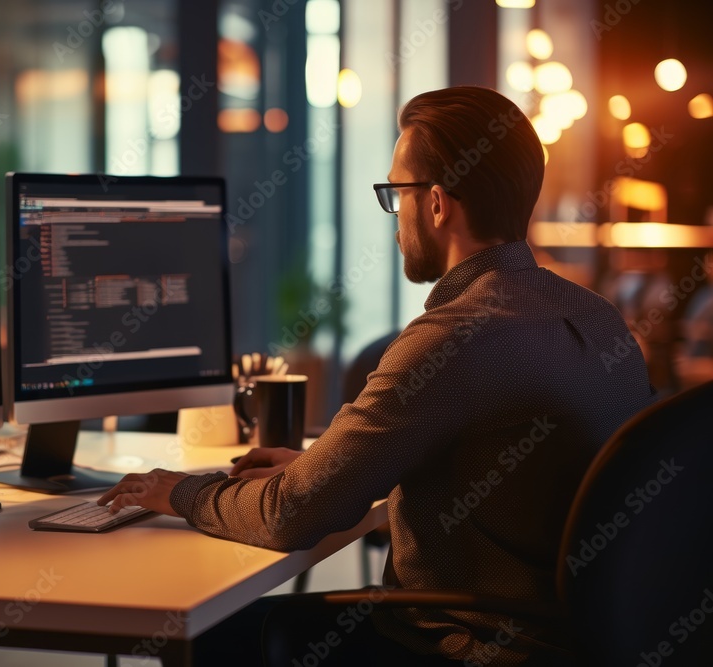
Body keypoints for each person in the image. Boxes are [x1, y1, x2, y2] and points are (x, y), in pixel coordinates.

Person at [98, 86, 656, 665]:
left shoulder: (455, 337)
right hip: (586, 638)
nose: (395, 218)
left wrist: (180, 491)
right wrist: (325, 470)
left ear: (437, 204)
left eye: (396, 193)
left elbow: (290, 516)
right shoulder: (599, 316)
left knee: (209, 628)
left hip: (467, 643)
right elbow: (511, 484)